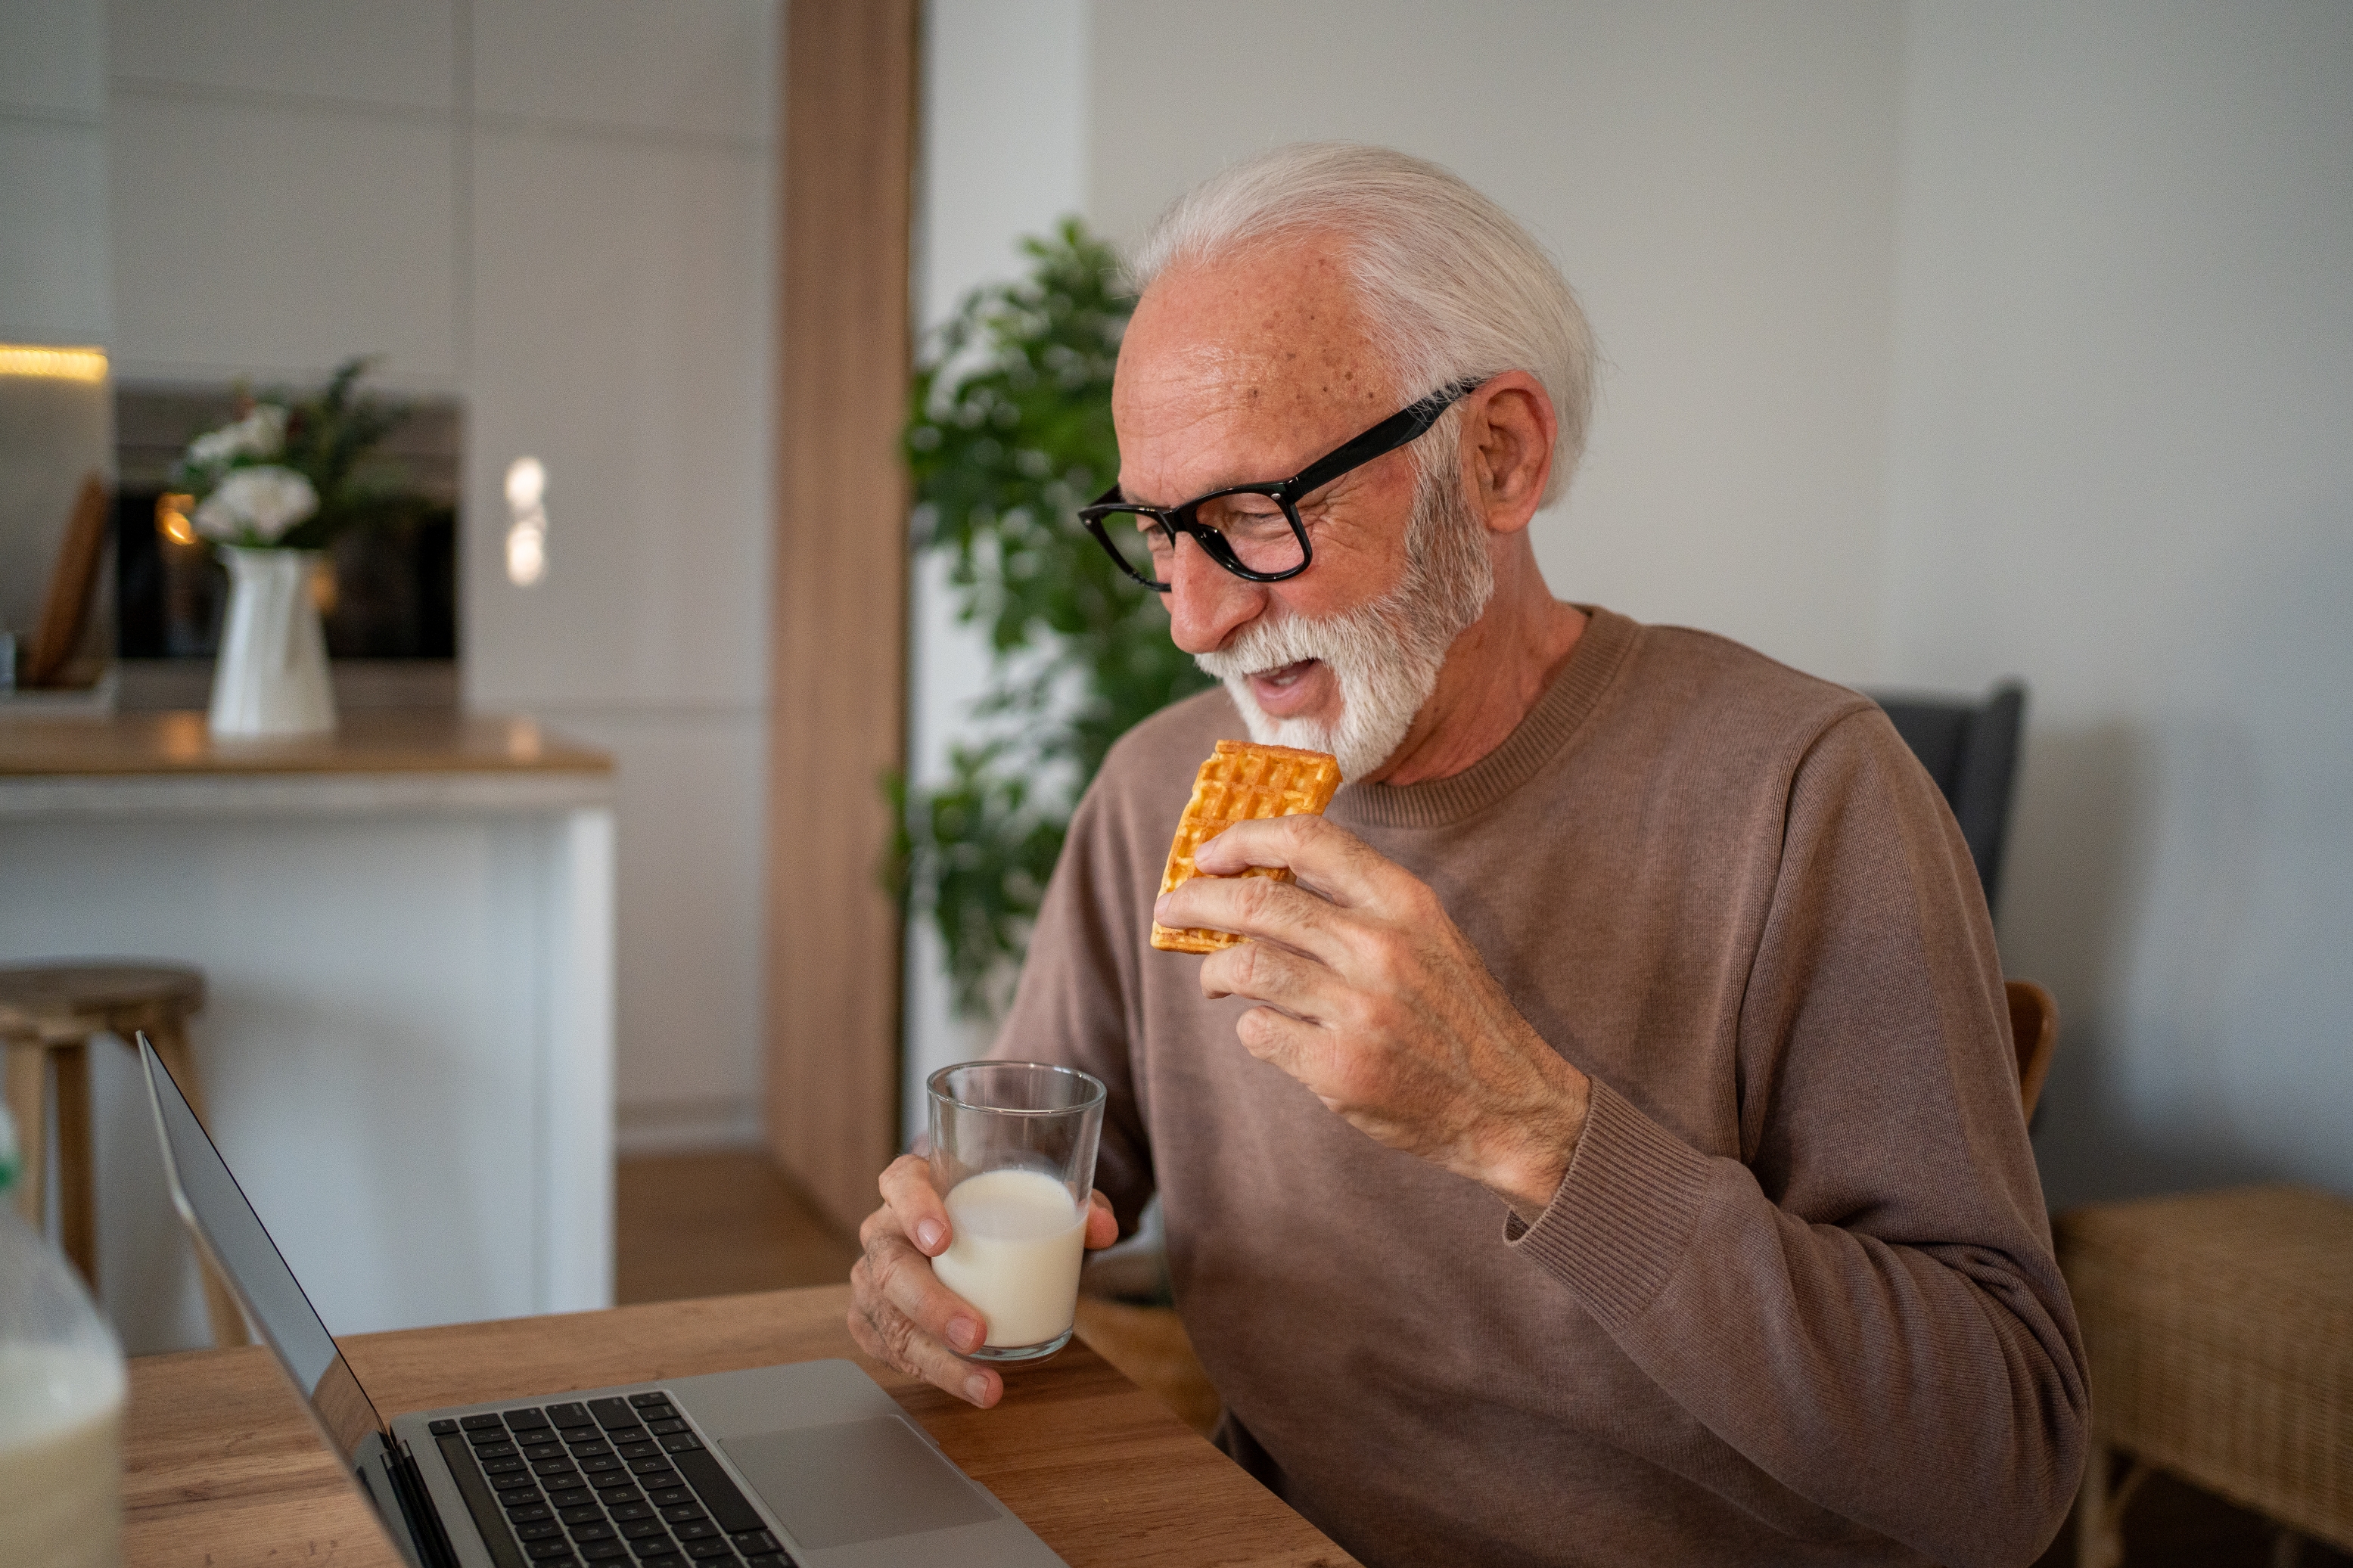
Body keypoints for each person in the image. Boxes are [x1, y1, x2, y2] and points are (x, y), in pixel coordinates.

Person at [850, 143, 2086, 1567]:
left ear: (1495, 457)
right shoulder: (1155, 795)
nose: (1188, 619)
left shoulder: (1809, 796)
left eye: (1253, 514)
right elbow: (1051, 1177)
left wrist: (1530, 1130)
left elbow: (2006, 1460)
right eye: (1160, 528)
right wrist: (930, 1258)